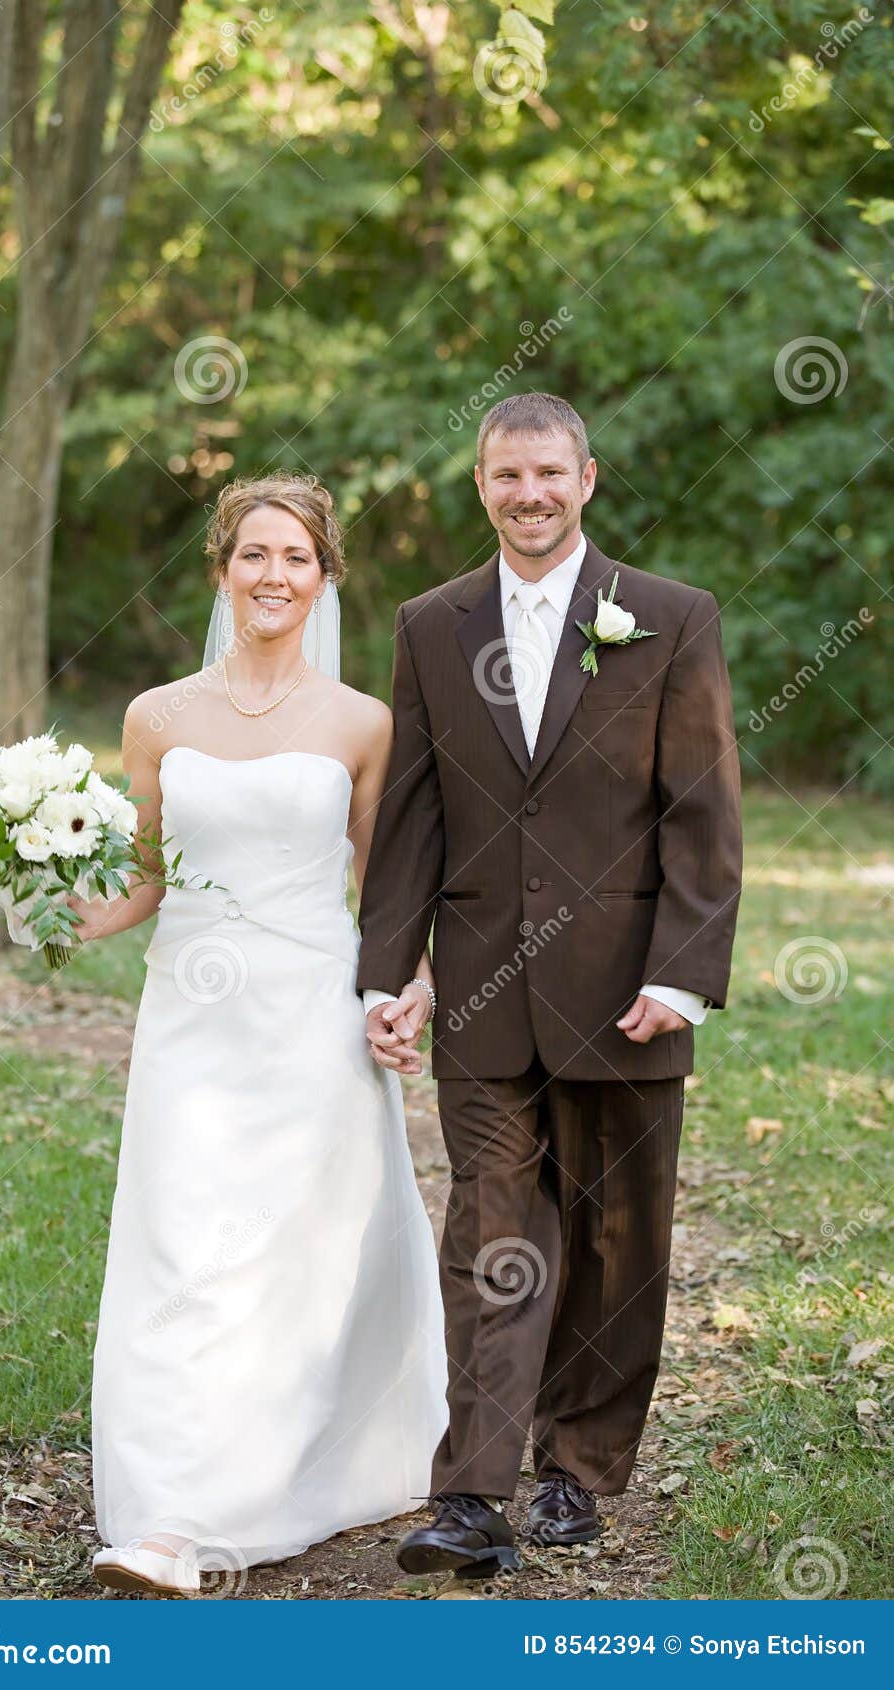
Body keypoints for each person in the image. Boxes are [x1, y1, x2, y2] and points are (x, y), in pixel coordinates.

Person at [358, 391, 742, 1578]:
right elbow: (413, 815)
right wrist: (386, 972)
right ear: (480, 486)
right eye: (502, 477)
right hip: (481, 994)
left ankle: (575, 1469)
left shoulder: (669, 618)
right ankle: (470, 1492)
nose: (525, 495)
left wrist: (680, 976)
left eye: (546, 474)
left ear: (586, 479)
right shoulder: (430, 624)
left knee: (616, 1242)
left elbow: (701, 813)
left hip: (626, 988)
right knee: (489, 1233)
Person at [70, 472, 447, 1595]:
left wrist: (406, 991)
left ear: (324, 576)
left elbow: (385, 891)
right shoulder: (156, 717)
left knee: (288, 1255)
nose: (273, 575)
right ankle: (168, 1498)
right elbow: (141, 877)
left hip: (309, 1016)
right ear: (221, 570)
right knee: (185, 1246)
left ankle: (201, 1521)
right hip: (190, 1012)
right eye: (253, 555)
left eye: (296, 557)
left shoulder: (362, 723)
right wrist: (47, 902)